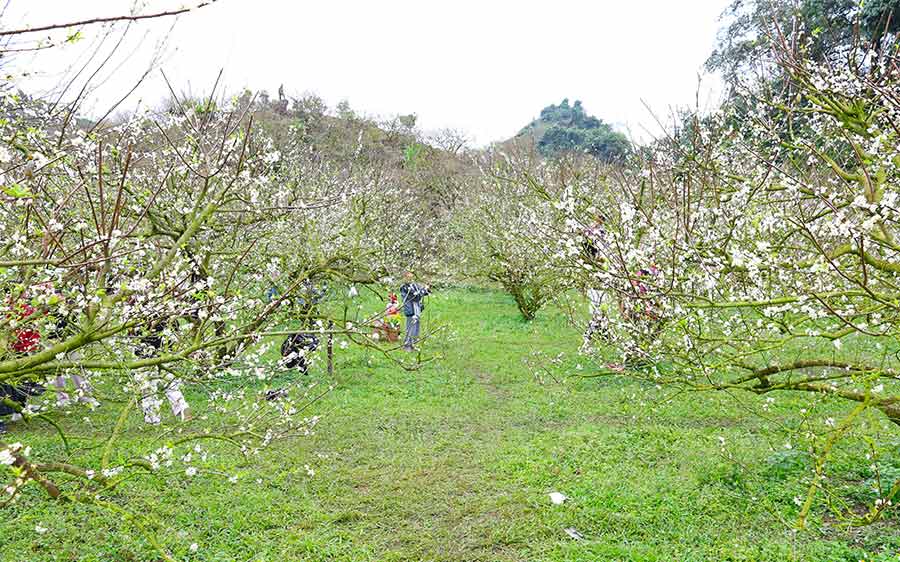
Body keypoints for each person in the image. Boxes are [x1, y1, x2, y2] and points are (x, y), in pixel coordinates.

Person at [581, 214, 611, 352]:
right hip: (596, 282)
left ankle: (605, 335)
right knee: (598, 311)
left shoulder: (602, 235)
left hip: (603, 280)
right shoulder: (590, 235)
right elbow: (588, 256)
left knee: (603, 310)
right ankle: (588, 339)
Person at [399, 272, 430, 352]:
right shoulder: (404, 287)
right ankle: (407, 346)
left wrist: (426, 288)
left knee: (416, 327)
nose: (410, 279)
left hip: (416, 309)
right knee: (410, 327)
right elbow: (415, 296)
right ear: (404, 278)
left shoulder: (414, 285)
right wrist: (424, 290)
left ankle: (413, 344)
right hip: (410, 309)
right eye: (408, 277)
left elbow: (423, 292)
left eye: (411, 277)